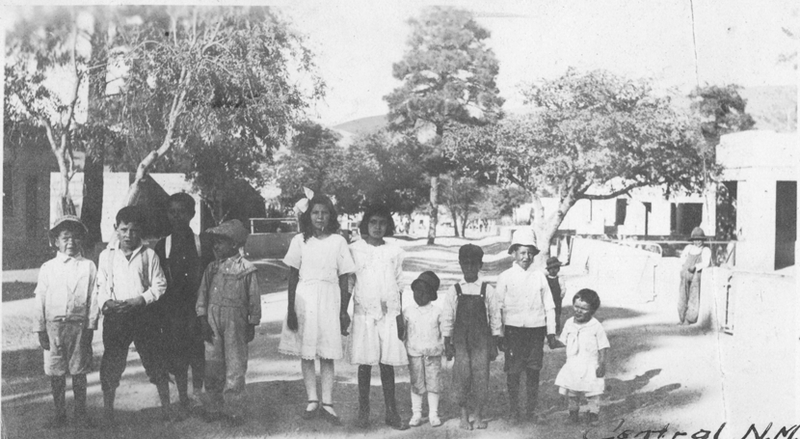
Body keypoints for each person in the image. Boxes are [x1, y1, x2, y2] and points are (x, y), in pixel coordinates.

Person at [278, 194, 356, 426]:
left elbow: (345, 277)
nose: (320, 217)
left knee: (327, 352)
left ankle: (328, 402)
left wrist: (343, 310)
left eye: (324, 213)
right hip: (305, 299)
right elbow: (293, 275)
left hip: (330, 299)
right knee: (307, 350)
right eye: (315, 212)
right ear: (308, 216)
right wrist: (291, 308)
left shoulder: (338, 241)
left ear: (331, 216)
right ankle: (312, 399)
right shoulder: (300, 240)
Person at [96, 206, 169, 425]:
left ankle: (166, 408)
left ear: (141, 231)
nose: (129, 235)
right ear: (115, 229)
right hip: (117, 316)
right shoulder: (107, 256)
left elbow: (159, 284)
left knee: (154, 359)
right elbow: (101, 284)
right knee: (112, 362)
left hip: (143, 315)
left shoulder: (149, 254)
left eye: (135, 230)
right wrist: (107, 302)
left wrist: (141, 299)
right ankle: (108, 411)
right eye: (124, 229)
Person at [33, 215, 99, 429]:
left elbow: (93, 298)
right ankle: (59, 414)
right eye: (65, 238)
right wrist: (40, 329)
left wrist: (90, 327)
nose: (71, 242)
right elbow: (40, 299)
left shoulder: (88, 266)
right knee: (56, 371)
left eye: (76, 237)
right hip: (54, 327)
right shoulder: (48, 267)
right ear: (56, 241)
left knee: (79, 371)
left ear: (82, 240)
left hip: (79, 326)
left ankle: (80, 413)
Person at [346, 205, 408, 430]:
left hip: (389, 314)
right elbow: (350, 282)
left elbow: (399, 284)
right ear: (366, 224)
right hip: (364, 313)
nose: (377, 227)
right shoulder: (355, 250)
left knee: (386, 363)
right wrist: (344, 311)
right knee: (365, 363)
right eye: (373, 222)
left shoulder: (394, 251)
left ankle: (392, 412)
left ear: (387, 226)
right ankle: (364, 411)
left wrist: (399, 316)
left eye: (382, 223)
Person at [196, 219, 261, 426]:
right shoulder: (211, 269)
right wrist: (202, 319)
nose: (216, 246)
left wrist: (252, 323)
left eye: (221, 242)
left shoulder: (246, 270)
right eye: (214, 242)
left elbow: (254, 299)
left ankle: (233, 409)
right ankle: (213, 406)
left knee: (235, 365)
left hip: (236, 323)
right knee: (213, 365)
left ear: (234, 244)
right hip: (213, 321)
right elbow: (203, 295)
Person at [153, 193, 213, 411]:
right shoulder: (162, 246)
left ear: (192, 214)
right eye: (172, 212)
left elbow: (209, 276)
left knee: (197, 353)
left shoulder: (201, 243)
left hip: (196, 308)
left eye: (182, 212)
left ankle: (197, 394)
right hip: (172, 310)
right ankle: (182, 398)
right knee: (177, 355)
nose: (177, 216)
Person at [496, 228, 557, 423]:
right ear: (514, 253)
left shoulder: (540, 276)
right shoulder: (505, 276)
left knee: (533, 370)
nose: (526, 256)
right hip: (513, 331)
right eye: (522, 252)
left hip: (535, 331)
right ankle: (514, 411)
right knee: (513, 371)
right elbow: (497, 307)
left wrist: (551, 332)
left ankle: (531, 410)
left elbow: (549, 305)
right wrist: (498, 332)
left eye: (530, 252)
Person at [441, 244, 502, 430]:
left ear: (480, 265)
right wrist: (447, 342)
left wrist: (495, 342)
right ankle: (464, 415)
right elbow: (447, 317)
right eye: (465, 263)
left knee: (481, 376)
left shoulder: (487, 290)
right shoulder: (454, 290)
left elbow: (495, 317)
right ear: (460, 264)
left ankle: (479, 414)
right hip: (460, 341)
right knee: (462, 377)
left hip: (481, 341)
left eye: (473, 263)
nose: (469, 267)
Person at [554, 289, 609, 425]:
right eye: (576, 307)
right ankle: (573, 414)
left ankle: (593, 415)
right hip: (573, 364)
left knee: (592, 392)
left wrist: (601, 364)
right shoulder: (569, 323)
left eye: (584, 309)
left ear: (592, 310)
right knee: (572, 391)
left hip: (590, 364)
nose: (578, 311)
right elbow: (563, 341)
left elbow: (603, 346)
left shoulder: (596, 326)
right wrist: (551, 340)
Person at [403, 271, 444, 428]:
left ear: (432, 294)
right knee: (416, 383)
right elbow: (404, 334)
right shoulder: (408, 311)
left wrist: (445, 348)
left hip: (433, 354)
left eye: (424, 291)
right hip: (414, 354)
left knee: (433, 383)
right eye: (416, 291)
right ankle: (417, 413)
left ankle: (433, 413)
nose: (419, 294)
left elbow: (443, 333)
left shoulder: (437, 312)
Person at [678, 227, 711, 325]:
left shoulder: (705, 250)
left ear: (703, 240)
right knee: (682, 296)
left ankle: (689, 319)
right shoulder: (689, 248)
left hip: (695, 275)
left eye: (699, 239)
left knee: (693, 296)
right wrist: (684, 266)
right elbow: (682, 258)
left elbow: (706, 263)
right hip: (685, 274)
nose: (697, 242)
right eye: (695, 240)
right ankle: (682, 317)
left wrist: (696, 266)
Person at [545, 256, 567, 334]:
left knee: (557, 314)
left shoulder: (559, 279)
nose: (553, 270)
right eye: (551, 268)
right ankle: (547, 329)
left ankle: (556, 329)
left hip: (556, 299)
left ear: (558, 269)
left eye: (556, 268)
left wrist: (562, 294)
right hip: (547, 299)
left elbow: (563, 288)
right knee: (547, 314)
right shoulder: (545, 279)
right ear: (548, 270)